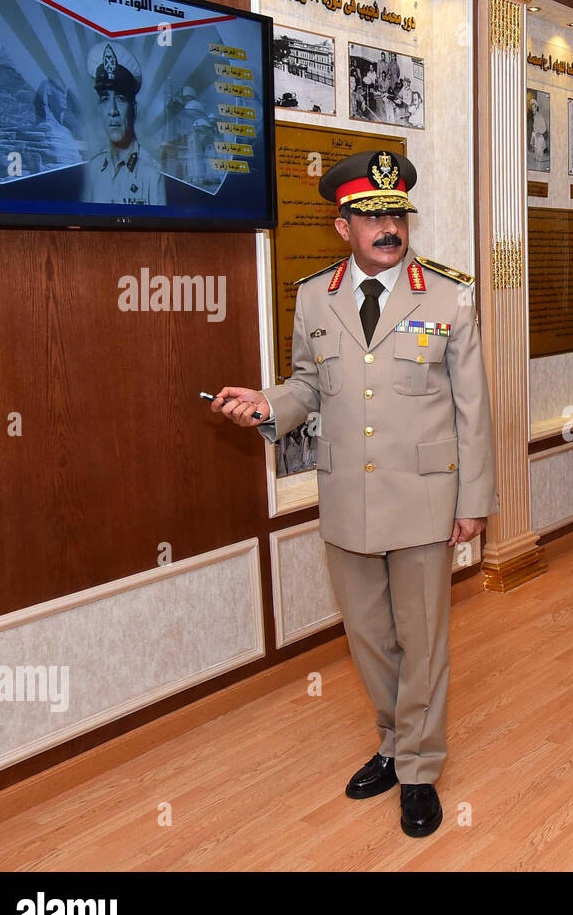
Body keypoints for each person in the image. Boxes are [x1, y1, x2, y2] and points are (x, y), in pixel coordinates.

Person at [211, 149, 496, 839]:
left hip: (427, 497)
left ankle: (420, 769)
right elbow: (308, 387)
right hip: (346, 498)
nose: (388, 226)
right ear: (344, 226)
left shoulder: (449, 294)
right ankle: (394, 741)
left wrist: (475, 501)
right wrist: (267, 405)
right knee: (369, 637)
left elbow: (474, 408)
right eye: (372, 216)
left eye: (396, 213)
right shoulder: (315, 296)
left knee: (422, 639)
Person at [82, 42, 164, 206]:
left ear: (134, 109)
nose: (112, 111)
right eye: (105, 99)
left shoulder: (152, 173)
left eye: (120, 99)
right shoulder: (93, 169)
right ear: (99, 108)